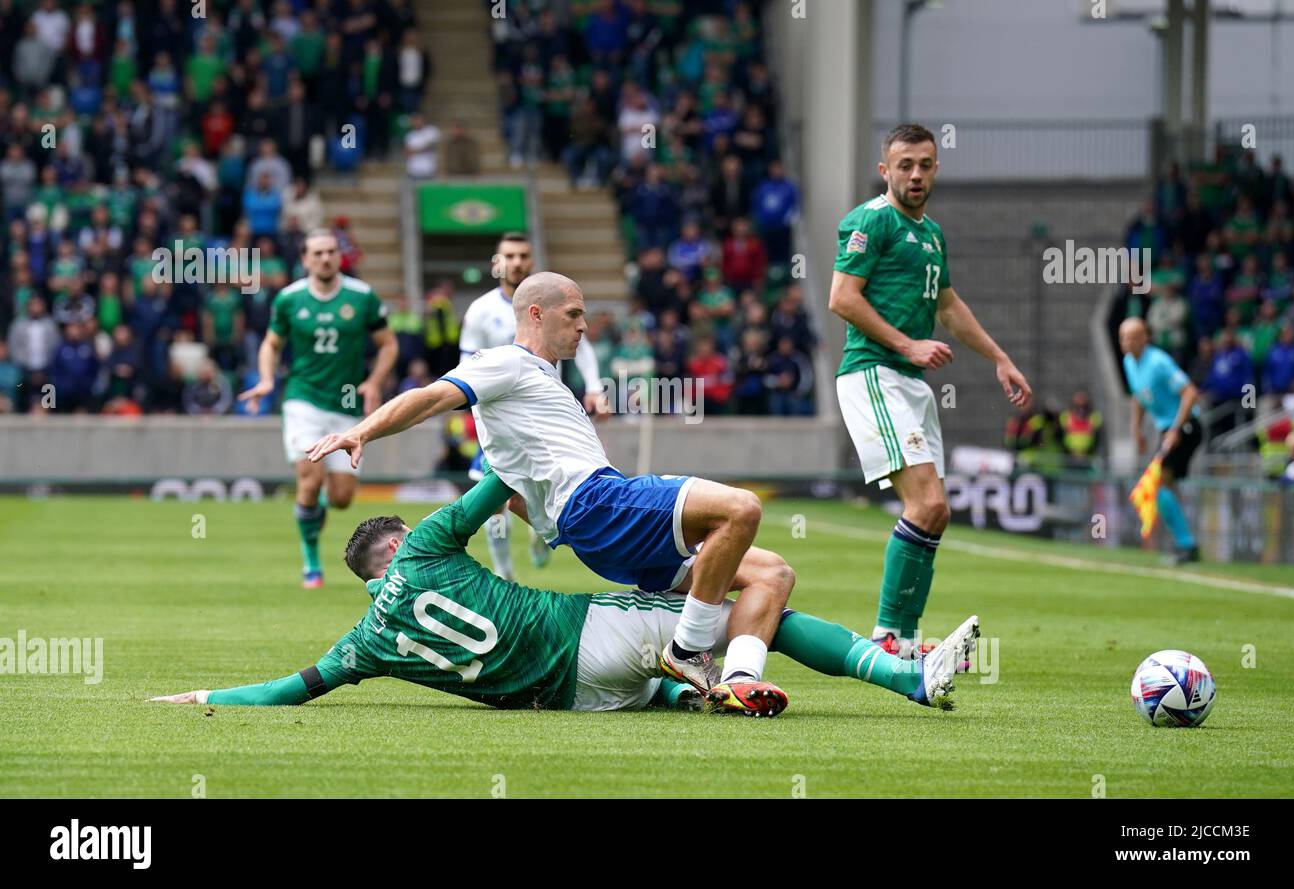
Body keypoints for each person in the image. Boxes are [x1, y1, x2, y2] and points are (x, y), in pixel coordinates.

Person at [308, 272, 795, 707]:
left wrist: (548, 522)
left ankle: (737, 680)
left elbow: (518, 488)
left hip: (596, 524)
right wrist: (363, 430)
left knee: (772, 574)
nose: (584, 326)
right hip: (597, 506)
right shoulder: (505, 363)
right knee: (741, 508)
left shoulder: (540, 387)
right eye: (575, 313)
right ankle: (687, 651)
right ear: (537, 314)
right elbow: (430, 397)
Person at [151, 470, 979, 716]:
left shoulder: (361, 644)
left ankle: (700, 695)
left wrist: (202, 693)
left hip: (573, 698)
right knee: (765, 587)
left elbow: (288, 690)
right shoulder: (432, 541)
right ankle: (905, 675)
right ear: (398, 543)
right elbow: (503, 474)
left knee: (688, 659)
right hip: (585, 632)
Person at [828, 123, 1032, 659]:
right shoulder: (870, 221)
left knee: (936, 511)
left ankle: (906, 639)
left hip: (909, 384)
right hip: (874, 373)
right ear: (885, 170)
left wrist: (1000, 358)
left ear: (936, 167)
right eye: (904, 165)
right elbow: (843, 298)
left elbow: (947, 307)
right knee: (927, 501)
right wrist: (910, 346)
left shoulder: (933, 234)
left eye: (924, 164)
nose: (914, 174)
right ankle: (888, 636)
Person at [238, 230, 399, 588]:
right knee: (310, 477)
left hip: (345, 400)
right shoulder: (290, 299)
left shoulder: (361, 297)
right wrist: (266, 380)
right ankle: (311, 563)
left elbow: (388, 344)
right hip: (303, 397)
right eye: (318, 253)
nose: (325, 258)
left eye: (331, 252)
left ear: (339, 256)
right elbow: (271, 344)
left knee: (341, 498)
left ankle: (314, 508)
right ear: (305, 259)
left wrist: (374, 381)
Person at [457, 233, 608, 580]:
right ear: (498, 263)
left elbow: (580, 346)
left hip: (544, 414)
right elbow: (467, 363)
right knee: (496, 500)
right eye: (508, 256)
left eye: (523, 255)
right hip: (499, 417)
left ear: (531, 260)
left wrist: (596, 387)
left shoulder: (550, 303)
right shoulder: (481, 311)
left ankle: (543, 533)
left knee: (548, 486)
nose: (516, 262)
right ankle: (504, 571)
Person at [1119, 316, 1203, 563]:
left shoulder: (1158, 362)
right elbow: (1138, 396)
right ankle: (1185, 544)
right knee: (1164, 486)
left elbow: (1190, 393)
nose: (1128, 342)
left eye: (1134, 337)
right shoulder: (1129, 363)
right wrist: (1136, 429)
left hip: (1185, 427)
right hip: (1166, 429)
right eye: (1124, 337)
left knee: (1158, 484)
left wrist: (1176, 429)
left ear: (1146, 338)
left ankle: (1187, 545)